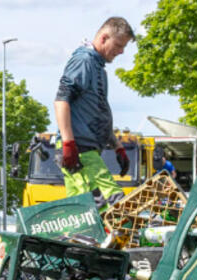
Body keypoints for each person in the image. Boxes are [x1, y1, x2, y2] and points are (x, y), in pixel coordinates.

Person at [54, 17, 135, 204]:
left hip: (85, 150)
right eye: (119, 45)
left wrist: (117, 146)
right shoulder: (84, 62)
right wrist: (68, 144)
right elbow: (61, 101)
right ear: (104, 38)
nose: (121, 51)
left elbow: (97, 113)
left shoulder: (97, 67)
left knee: (82, 212)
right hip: (79, 151)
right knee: (111, 203)